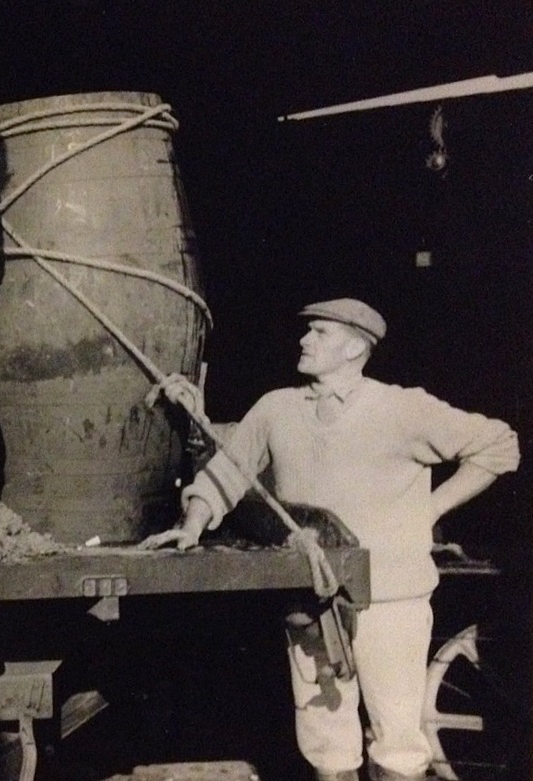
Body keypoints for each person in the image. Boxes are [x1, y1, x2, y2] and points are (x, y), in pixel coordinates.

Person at [143, 298, 519, 781]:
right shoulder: (276, 408)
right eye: (308, 331)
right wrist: (193, 523)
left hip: (389, 598)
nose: (304, 340)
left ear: (355, 348)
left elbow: (498, 446)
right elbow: (226, 473)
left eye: (320, 332)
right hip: (311, 599)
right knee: (325, 740)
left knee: (398, 742)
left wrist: (429, 509)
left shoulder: (403, 409)